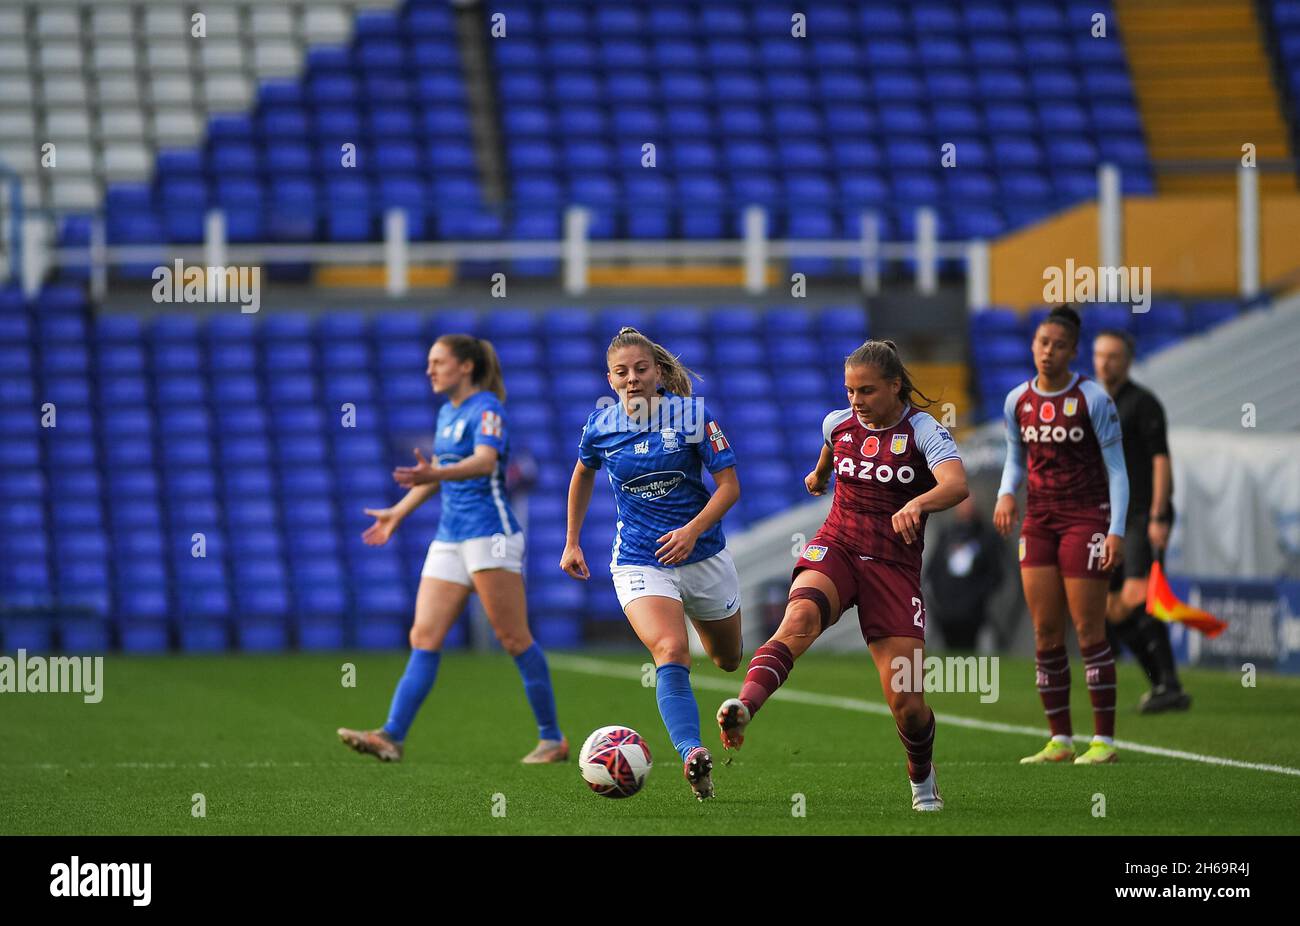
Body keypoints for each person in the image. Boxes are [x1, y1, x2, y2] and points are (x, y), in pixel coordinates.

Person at [716, 339, 969, 812]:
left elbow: (956, 483)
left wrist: (917, 502)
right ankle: (745, 706)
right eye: (850, 391)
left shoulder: (923, 431)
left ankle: (922, 779)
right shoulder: (839, 422)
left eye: (867, 391)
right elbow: (832, 448)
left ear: (896, 387)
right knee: (799, 620)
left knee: (908, 708)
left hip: (893, 568)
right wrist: (818, 476)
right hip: (838, 545)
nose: (856, 401)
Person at [338, 334, 566, 764]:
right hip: (450, 535)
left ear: (465, 367)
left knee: (513, 638)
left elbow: (484, 461)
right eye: (429, 362)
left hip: (490, 533)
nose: (430, 370)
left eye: (438, 361)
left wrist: (435, 475)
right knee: (423, 636)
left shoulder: (487, 409)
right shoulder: (447, 412)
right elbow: (438, 472)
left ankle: (552, 738)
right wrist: (397, 513)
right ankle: (391, 735)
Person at [561, 327, 742, 802]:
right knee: (669, 649)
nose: (632, 378)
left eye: (641, 369)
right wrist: (572, 541)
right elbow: (582, 473)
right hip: (641, 559)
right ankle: (691, 753)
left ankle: (710, 725)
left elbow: (729, 487)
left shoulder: (692, 416)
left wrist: (692, 531)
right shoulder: (600, 426)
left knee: (727, 660)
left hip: (702, 553)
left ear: (658, 372)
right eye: (622, 372)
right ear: (610, 378)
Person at [994, 306, 1129, 765]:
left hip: (1085, 518)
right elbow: (1015, 457)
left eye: (1058, 345)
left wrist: (1116, 530)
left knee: (1089, 629)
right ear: (1033, 345)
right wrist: (1006, 494)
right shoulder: (1017, 400)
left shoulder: (1093, 399)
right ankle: (1060, 739)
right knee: (1046, 631)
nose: (1048, 351)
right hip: (1040, 521)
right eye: (1042, 342)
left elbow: (1118, 470)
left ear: (1073, 351)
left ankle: (1104, 742)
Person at [1093, 329, 1190, 713]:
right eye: (1100, 355)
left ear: (1127, 361)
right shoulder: (1096, 405)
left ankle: (1170, 683)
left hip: (1140, 515)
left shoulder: (1143, 404)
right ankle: (1162, 685)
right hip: (1109, 517)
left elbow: (1160, 461)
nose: (1104, 362)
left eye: (1113, 356)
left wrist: (1159, 514)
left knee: (1138, 596)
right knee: (1109, 607)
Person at [923, 496, 1005, 651]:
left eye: (970, 505)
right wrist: (939, 598)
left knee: (968, 649)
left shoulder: (987, 537)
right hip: (946, 608)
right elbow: (932, 571)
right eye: (963, 505)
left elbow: (995, 574)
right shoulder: (947, 535)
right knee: (949, 650)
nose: (967, 509)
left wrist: (978, 596)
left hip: (974, 610)